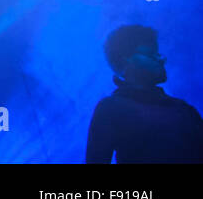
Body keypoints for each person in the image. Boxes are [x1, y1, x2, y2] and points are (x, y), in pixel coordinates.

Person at [85, 24, 203, 163]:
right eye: (151, 54)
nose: (161, 59)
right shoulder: (111, 108)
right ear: (125, 58)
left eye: (158, 53)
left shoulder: (184, 109)